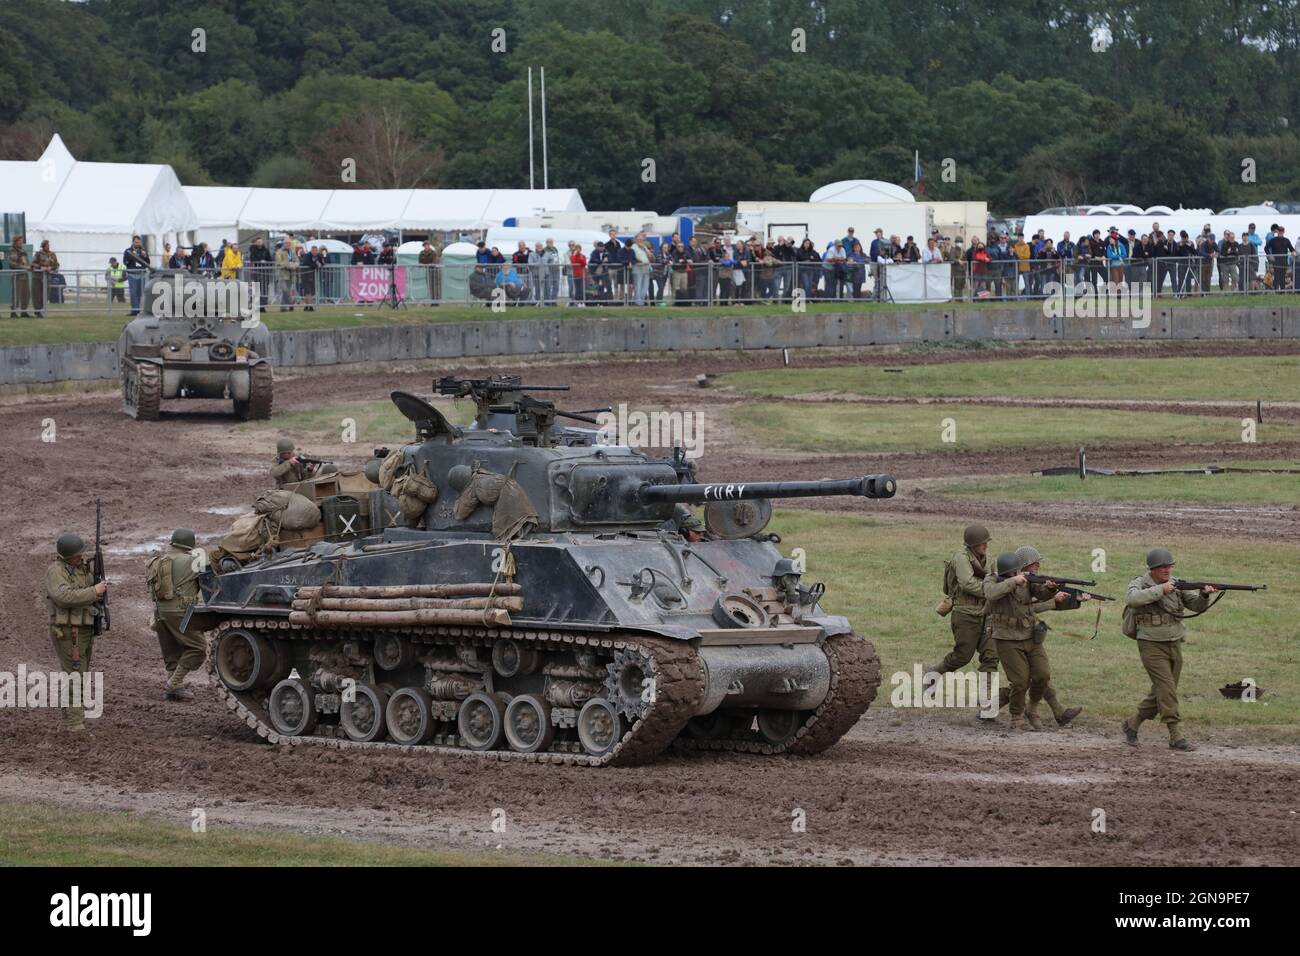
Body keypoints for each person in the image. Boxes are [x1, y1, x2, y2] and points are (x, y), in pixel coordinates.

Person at [982, 548, 1089, 730]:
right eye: (1014, 572)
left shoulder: (1028, 581)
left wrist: (1050, 588)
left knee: (1042, 674)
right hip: (1006, 638)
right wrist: (1013, 581)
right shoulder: (992, 580)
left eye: (1018, 572)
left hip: (1030, 635)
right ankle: (1016, 717)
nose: (1018, 574)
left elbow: (1040, 595)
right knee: (1020, 682)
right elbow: (991, 593)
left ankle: (1031, 708)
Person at [1121, 549, 1216, 751]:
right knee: (1167, 690)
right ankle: (1176, 736)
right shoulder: (1140, 583)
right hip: (1150, 644)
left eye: (1169, 566)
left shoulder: (1177, 583)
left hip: (1174, 642)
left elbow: (1197, 606)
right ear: (1152, 569)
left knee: (1163, 690)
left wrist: (1204, 594)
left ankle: (1132, 724)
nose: (1167, 570)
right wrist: (1161, 590)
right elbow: (1132, 599)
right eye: (1162, 567)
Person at [46, 532, 108, 732]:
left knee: (80, 675)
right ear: (67, 556)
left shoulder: (81, 569)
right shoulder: (56, 571)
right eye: (77, 554)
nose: (81, 557)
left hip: (84, 629)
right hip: (68, 633)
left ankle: (73, 718)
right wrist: (94, 591)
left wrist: (98, 592)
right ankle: (74, 724)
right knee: (74, 675)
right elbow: (63, 596)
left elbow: (91, 593)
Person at [148, 529, 206, 700]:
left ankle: (175, 688)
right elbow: (213, 569)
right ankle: (174, 684)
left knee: (171, 651)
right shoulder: (192, 560)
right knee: (198, 648)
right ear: (190, 545)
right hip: (179, 612)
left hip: (160, 612)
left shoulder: (158, 560)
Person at [123, 235, 151, 315]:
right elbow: (125, 262)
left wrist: (144, 256)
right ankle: (134, 310)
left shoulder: (143, 250)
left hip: (142, 274)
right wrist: (132, 256)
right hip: (132, 274)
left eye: (139, 242)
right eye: (136, 242)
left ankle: (138, 310)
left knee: (140, 293)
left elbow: (148, 263)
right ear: (133, 242)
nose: (137, 244)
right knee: (133, 293)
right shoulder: (128, 251)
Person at [32, 239, 59, 316]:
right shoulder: (38, 254)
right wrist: (41, 267)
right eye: (46, 245)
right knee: (37, 294)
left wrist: (51, 268)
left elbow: (57, 264)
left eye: (48, 245)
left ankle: (42, 309)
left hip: (47, 277)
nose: (48, 246)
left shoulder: (52, 254)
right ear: (43, 246)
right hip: (38, 277)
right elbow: (33, 263)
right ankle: (37, 310)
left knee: (46, 294)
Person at [248, 237, 273, 307]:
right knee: (256, 288)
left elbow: (270, 259)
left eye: (261, 241)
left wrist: (266, 262)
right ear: (256, 242)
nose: (259, 243)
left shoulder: (266, 250)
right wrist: (260, 261)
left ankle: (263, 305)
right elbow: (252, 259)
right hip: (256, 272)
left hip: (265, 273)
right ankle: (255, 304)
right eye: (258, 242)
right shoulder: (253, 250)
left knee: (264, 289)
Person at [275, 240, 297, 311]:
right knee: (285, 290)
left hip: (291, 274)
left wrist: (295, 265)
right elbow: (279, 262)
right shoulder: (279, 252)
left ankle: (283, 307)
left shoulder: (292, 252)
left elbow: (297, 260)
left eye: (289, 244)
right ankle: (291, 302)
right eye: (286, 243)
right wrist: (288, 265)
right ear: (283, 244)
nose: (287, 245)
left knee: (287, 290)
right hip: (282, 274)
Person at [567, 241, 587, 305]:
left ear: (580, 250)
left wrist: (580, 257)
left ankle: (581, 301)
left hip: (581, 274)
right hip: (575, 275)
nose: (577, 250)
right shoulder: (573, 256)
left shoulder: (583, 256)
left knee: (581, 288)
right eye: (576, 249)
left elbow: (584, 264)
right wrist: (574, 255)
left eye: (579, 249)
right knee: (577, 289)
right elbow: (573, 262)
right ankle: (577, 301)